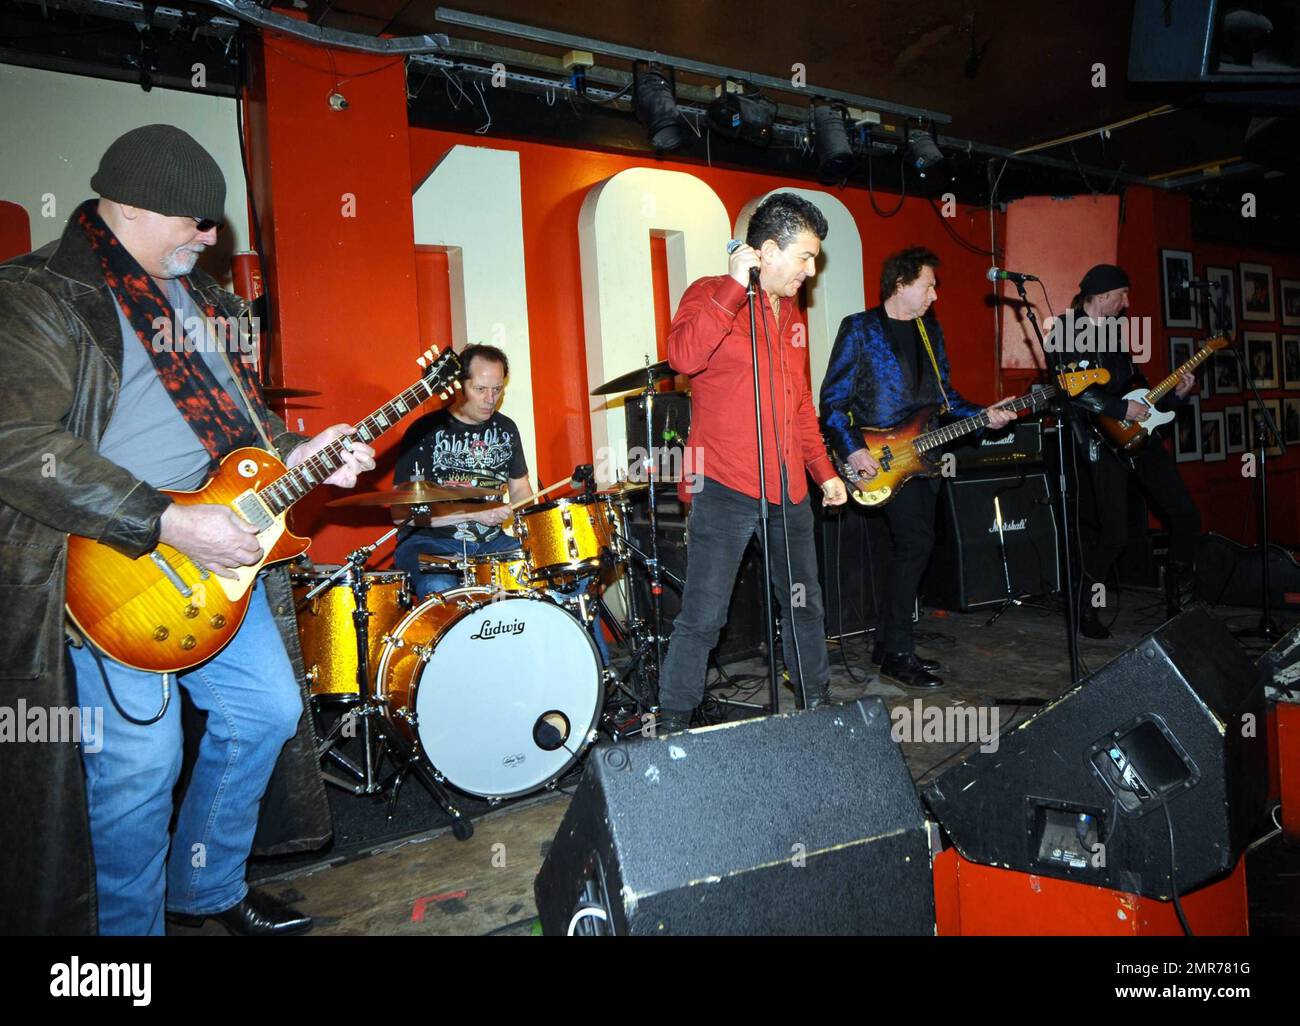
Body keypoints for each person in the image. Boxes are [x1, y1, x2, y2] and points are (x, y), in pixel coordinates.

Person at [0, 125, 376, 935]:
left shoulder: (207, 301)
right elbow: (16, 442)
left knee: (267, 714)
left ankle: (202, 886)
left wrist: (298, 451)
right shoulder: (37, 293)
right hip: (113, 563)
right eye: (195, 222)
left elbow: (242, 433)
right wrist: (168, 521)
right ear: (129, 207)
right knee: (140, 765)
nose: (212, 237)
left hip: (219, 560)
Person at [655, 193, 847, 733]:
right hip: (724, 484)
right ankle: (672, 722)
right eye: (806, 257)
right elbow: (684, 358)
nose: (811, 271)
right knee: (705, 615)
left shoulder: (791, 316)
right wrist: (734, 287)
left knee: (804, 605)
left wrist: (824, 472)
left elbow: (800, 403)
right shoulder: (708, 294)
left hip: (788, 489)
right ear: (766, 250)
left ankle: (817, 708)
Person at [821, 246, 1016, 689]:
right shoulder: (860, 329)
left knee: (914, 549)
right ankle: (898, 653)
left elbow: (944, 402)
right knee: (915, 546)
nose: (934, 294)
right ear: (901, 283)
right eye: (929, 284)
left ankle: (887, 645)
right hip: (879, 458)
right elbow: (832, 402)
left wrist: (987, 414)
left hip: (923, 461)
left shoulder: (931, 331)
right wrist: (852, 449)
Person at [1068, 264, 1200, 638]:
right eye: (1122, 294)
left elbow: (1134, 390)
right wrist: (1118, 409)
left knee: (1186, 515)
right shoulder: (1065, 332)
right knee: (1113, 535)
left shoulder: (1114, 332)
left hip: (1139, 437)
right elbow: (1074, 391)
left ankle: (1179, 605)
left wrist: (1174, 399)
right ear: (1103, 295)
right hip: (1100, 442)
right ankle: (1086, 609)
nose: (1127, 302)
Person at [392, 343, 531, 599]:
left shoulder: (506, 428)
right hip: (431, 542)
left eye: (497, 389)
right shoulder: (423, 432)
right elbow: (402, 514)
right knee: (441, 588)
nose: (491, 399)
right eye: (480, 389)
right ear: (458, 385)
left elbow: (521, 489)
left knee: (553, 574)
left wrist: (520, 510)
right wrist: (474, 513)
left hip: (491, 544)